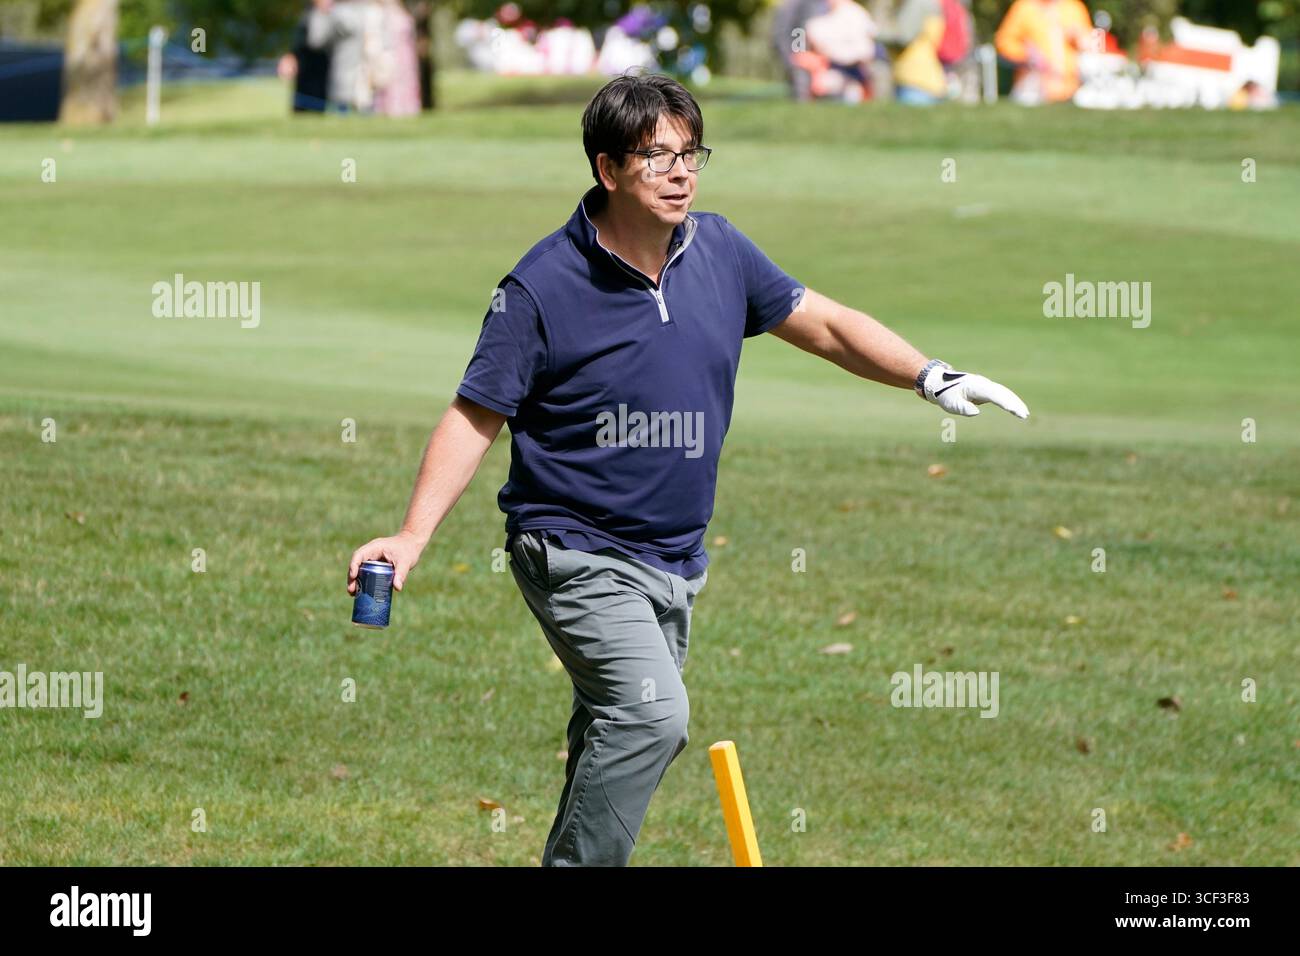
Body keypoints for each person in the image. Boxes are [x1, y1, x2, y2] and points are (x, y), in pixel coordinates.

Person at [345, 72, 1030, 867]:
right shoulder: (541, 287)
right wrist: (414, 533)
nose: (680, 174)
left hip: (674, 560)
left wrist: (929, 374)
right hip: (574, 548)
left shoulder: (720, 251)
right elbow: (475, 415)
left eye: (690, 154)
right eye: (656, 158)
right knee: (650, 717)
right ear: (607, 170)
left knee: (614, 726)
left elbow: (828, 326)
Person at [994, 0, 1093, 105]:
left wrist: (1079, 37)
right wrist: (1026, 54)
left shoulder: (1074, 7)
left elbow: (1090, 42)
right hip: (1033, 84)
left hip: (1073, 87)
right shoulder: (1024, 7)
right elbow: (1004, 41)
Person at [307, 0, 389, 113]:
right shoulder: (371, 12)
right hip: (355, 76)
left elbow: (316, 41)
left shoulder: (340, 13)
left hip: (355, 76)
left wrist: (320, 13)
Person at [879, 0, 948, 105]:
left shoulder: (917, 3)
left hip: (915, 81)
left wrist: (876, 33)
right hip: (925, 79)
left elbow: (904, 37)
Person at [372, 0, 421, 116]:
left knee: (406, 80)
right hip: (391, 52)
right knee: (392, 80)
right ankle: (392, 107)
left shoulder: (403, 11)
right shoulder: (381, 13)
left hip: (406, 53)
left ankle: (408, 107)